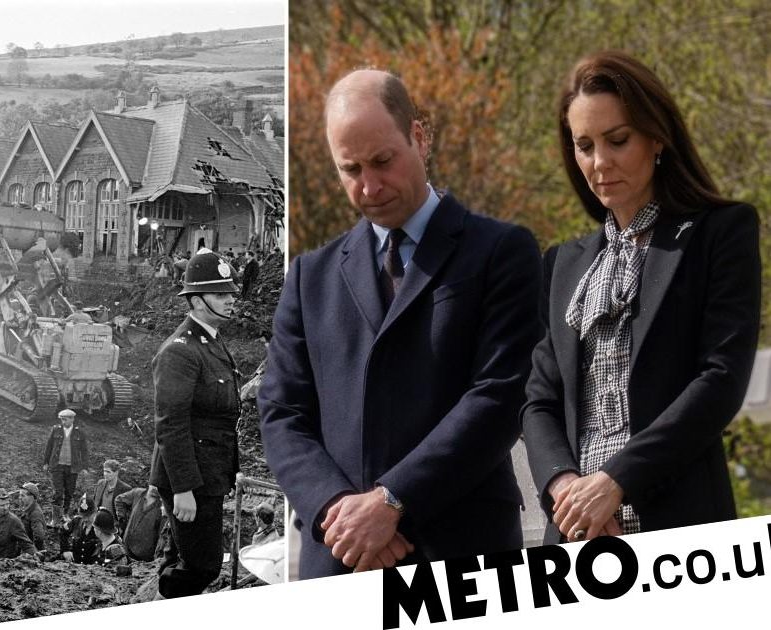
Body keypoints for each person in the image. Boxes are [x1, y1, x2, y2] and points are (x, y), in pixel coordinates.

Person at [257, 69, 541, 578]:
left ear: (419, 135)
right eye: (351, 169)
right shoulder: (309, 277)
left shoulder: (501, 253)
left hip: (459, 552)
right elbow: (281, 413)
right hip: (341, 558)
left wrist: (391, 503)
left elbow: (498, 396)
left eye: (383, 161)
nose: (370, 185)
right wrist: (337, 511)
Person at [522, 51, 760, 543]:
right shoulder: (563, 264)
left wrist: (616, 481)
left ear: (657, 138)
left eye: (617, 140)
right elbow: (538, 400)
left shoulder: (719, 234)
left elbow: (720, 380)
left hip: (679, 526)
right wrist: (567, 490)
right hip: (575, 533)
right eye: (584, 145)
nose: (600, 162)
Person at [149, 249, 242, 598]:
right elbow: (171, 424)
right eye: (221, 294)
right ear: (198, 301)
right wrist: (183, 488)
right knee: (203, 565)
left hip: (209, 474)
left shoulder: (211, 342)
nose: (231, 299)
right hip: (191, 480)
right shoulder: (180, 350)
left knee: (184, 556)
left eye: (230, 292)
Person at [42, 408, 89, 521]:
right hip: (57, 466)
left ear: (72, 419)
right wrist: (46, 462)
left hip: (72, 468)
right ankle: (55, 518)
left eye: (66, 420)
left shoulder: (79, 432)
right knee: (58, 492)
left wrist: (85, 467)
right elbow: (49, 447)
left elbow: (84, 451)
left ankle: (65, 514)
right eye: (62, 420)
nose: (63, 422)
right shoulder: (56, 430)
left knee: (69, 491)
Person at [0, 488, 36, 558]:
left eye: (7, 504)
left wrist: (35, 555)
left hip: (4, 564)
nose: (6, 508)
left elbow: (26, 544)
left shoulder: (14, 521)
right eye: (2, 505)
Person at [115, 485, 165, 563]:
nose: (156, 488)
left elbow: (162, 536)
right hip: (126, 547)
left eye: (159, 486)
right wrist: (123, 520)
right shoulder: (138, 493)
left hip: (144, 558)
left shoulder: (163, 506)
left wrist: (156, 559)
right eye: (154, 485)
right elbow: (119, 500)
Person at [59, 494, 99, 564]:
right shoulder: (77, 521)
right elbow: (63, 531)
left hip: (93, 569)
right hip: (75, 566)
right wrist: (65, 550)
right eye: (83, 516)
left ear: (95, 512)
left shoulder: (101, 525)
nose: (85, 519)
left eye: (88, 516)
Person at [17, 482, 48, 553]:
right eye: (19, 495)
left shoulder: (35, 513)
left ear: (32, 497)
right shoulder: (28, 509)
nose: (20, 498)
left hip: (30, 554)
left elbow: (39, 537)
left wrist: (34, 552)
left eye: (22, 496)